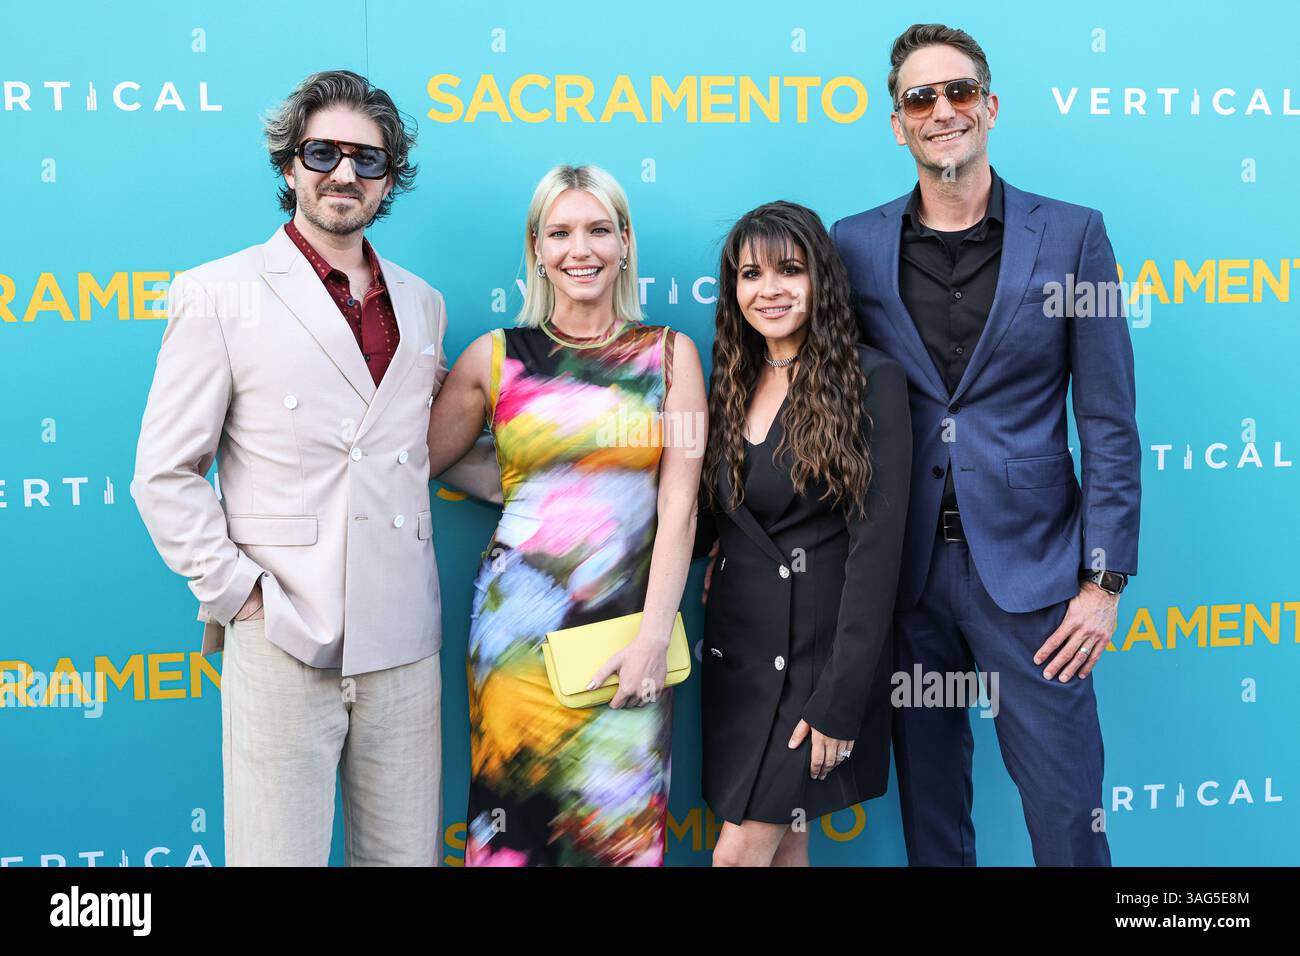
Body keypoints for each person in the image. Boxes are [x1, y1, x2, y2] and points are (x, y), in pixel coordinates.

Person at [131, 70, 498, 866]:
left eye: (367, 160)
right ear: (290, 165)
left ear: (390, 178)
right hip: (282, 632)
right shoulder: (216, 293)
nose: (344, 174)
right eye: (323, 152)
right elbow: (164, 474)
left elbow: (412, 451)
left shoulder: (423, 303)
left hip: (403, 638)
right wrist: (241, 597)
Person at [830, 24, 1141, 865]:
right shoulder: (852, 243)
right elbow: (818, 401)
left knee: (1069, 816)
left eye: (959, 92)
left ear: (990, 107)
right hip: (907, 576)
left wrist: (1102, 582)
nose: (943, 111)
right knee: (933, 819)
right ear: (898, 123)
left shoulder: (1074, 236)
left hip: (1037, 581)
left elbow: (1108, 420)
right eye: (920, 98)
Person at [425, 164, 707, 866]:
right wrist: (530, 487)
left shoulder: (672, 358)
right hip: (514, 645)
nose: (580, 249)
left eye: (597, 230)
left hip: (626, 639)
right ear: (538, 249)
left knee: (615, 833)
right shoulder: (493, 358)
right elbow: (418, 459)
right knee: (515, 831)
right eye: (560, 233)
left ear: (623, 242)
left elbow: (679, 507)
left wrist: (650, 639)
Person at [694, 201, 911, 867]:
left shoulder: (872, 381)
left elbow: (878, 553)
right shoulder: (730, 377)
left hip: (815, 668)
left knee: (737, 856)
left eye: (790, 270)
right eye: (751, 274)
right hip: (740, 659)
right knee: (786, 848)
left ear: (822, 279)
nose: (771, 290)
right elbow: (720, 515)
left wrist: (841, 701)